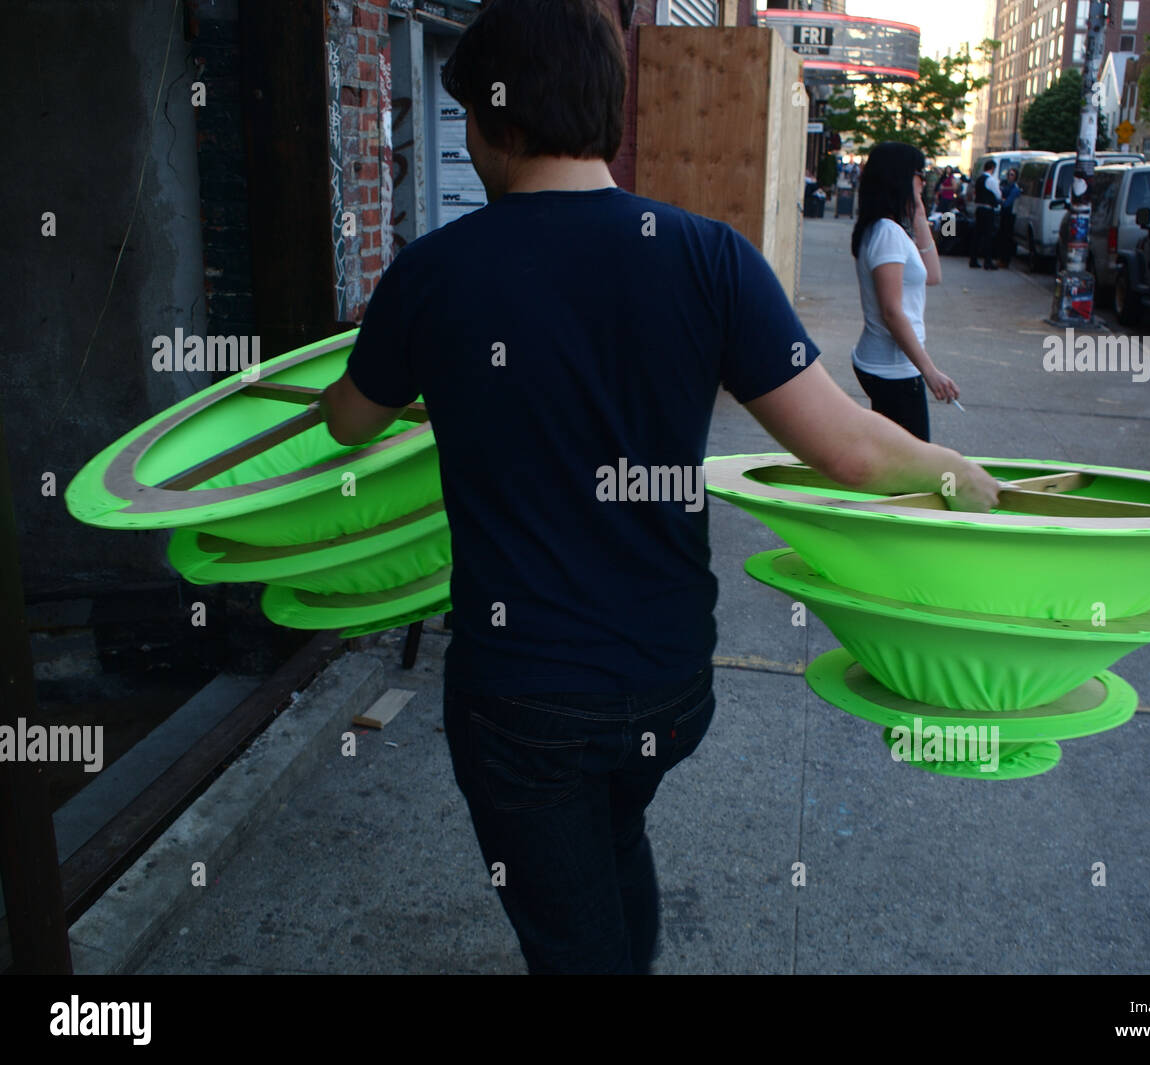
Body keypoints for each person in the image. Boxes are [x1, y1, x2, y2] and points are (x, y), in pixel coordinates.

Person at [319, 0, 999, 975]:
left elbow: (348, 420)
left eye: (467, 116)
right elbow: (850, 449)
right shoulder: (709, 256)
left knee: (570, 938)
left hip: (524, 703)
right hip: (668, 686)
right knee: (613, 842)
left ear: (498, 123)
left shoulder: (433, 273)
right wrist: (970, 482)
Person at [849, 142, 960, 443]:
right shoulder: (886, 233)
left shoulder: (889, 229)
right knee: (912, 466)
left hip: (891, 363)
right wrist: (930, 371)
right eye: (919, 174)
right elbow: (891, 311)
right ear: (899, 176)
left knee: (895, 457)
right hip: (892, 368)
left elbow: (933, 276)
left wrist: (919, 214)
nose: (925, 181)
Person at [969, 159, 1001, 270]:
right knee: (988, 236)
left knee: (977, 235)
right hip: (988, 209)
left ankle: (973, 259)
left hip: (979, 208)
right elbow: (998, 194)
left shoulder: (979, 179)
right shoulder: (991, 180)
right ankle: (987, 261)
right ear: (992, 168)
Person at [996, 167, 1021, 267]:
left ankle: (1005, 260)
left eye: (1012, 175)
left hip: (1010, 214)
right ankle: (1001, 258)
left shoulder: (1015, 189)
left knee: (1007, 237)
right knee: (1002, 236)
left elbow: (1007, 202)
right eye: (1009, 174)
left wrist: (1002, 200)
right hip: (1004, 213)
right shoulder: (1006, 186)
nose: (1009, 177)